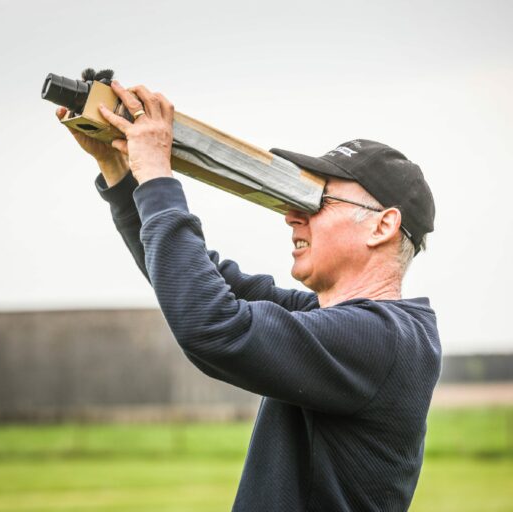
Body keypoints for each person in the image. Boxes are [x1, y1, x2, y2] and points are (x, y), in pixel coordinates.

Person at [54, 80, 441, 511]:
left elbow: (214, 327)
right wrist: (121, 170)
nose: (293, 215)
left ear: (382, 226)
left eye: (317, 201)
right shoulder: (350, 325)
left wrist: (158, 179)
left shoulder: (379, 339)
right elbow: (202, 283)